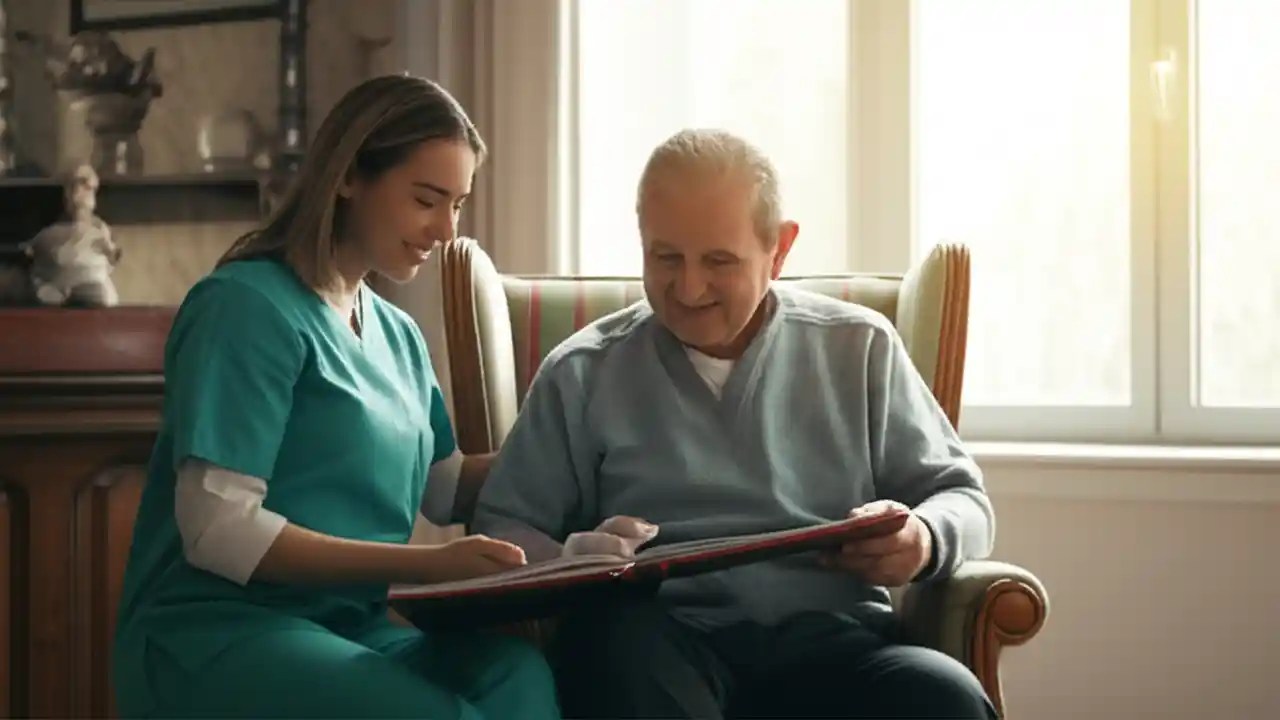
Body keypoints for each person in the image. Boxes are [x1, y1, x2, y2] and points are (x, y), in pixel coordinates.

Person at [472, 129, 997, 719]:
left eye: (718, 261)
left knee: (943, 696)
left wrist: (921, 539)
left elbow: (964, 500)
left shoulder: (860, 346)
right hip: (658, 642)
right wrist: (571, 558)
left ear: (780, 250)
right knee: (613, 652)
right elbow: (503, 526)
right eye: (665, 257)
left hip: (835, 644)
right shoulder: (582, 371)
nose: (689, 288)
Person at [113, 75, 561, 720]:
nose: (446, 229)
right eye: (427, 199)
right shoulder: (245, 307)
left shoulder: (398, 334)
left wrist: (585, 445)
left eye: (457, 204)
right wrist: (428, 564)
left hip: (350, 634)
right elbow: (220, 530)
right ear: (350, 176)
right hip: (220, 634)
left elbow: (447, 485)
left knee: (516, 678)